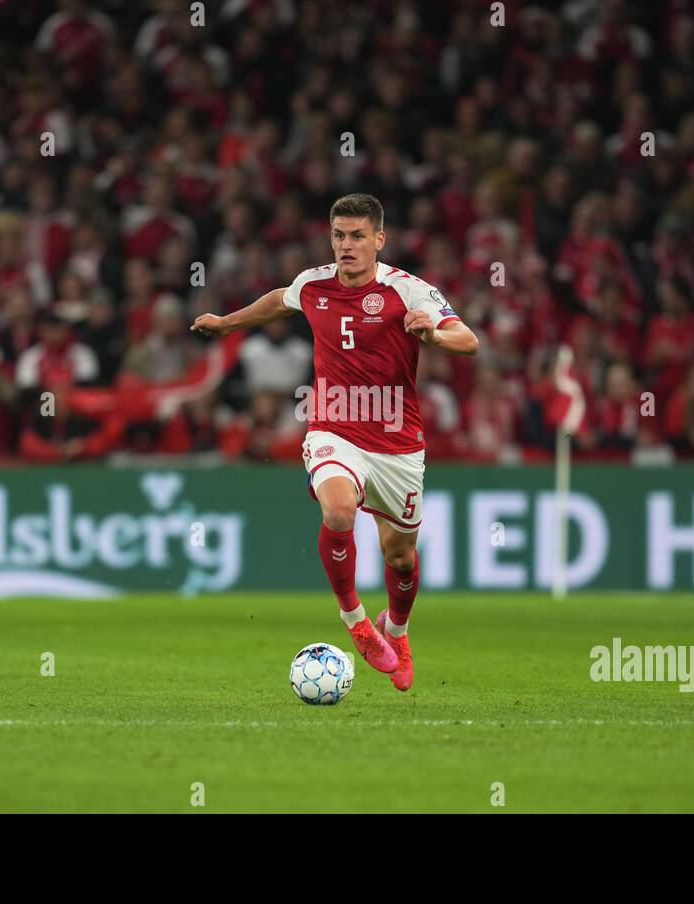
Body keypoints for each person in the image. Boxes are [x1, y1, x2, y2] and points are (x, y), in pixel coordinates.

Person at [190, 193, 479, 692]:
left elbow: (467, 339)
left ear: (379, 240)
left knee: (401, 557)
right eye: (339, 236)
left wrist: (432, 334)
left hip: (396, 440)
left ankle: (399, 631)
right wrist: (226, 322)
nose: (347, 246)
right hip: (333, 425)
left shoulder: (409, 291)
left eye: (358, 236)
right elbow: (279, 301)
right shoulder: (314, 283)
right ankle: (357, 623)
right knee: (339, 511)